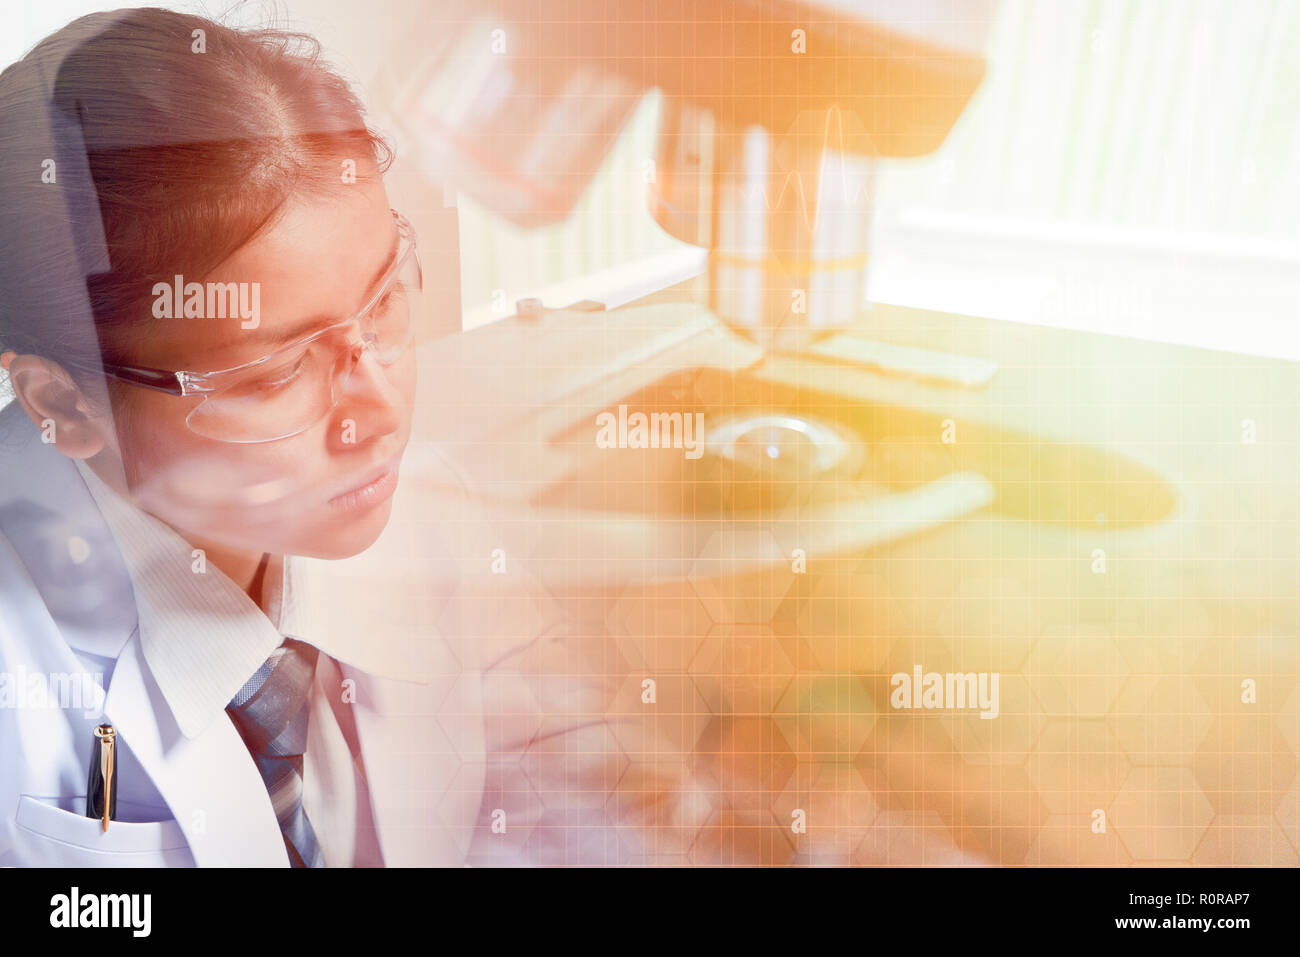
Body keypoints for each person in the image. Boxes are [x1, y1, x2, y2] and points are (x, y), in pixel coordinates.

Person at [0, 7, 485, 866]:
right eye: (272, 374)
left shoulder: (444, 518)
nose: (376, 412)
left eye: (382, 306)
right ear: (63, 405)